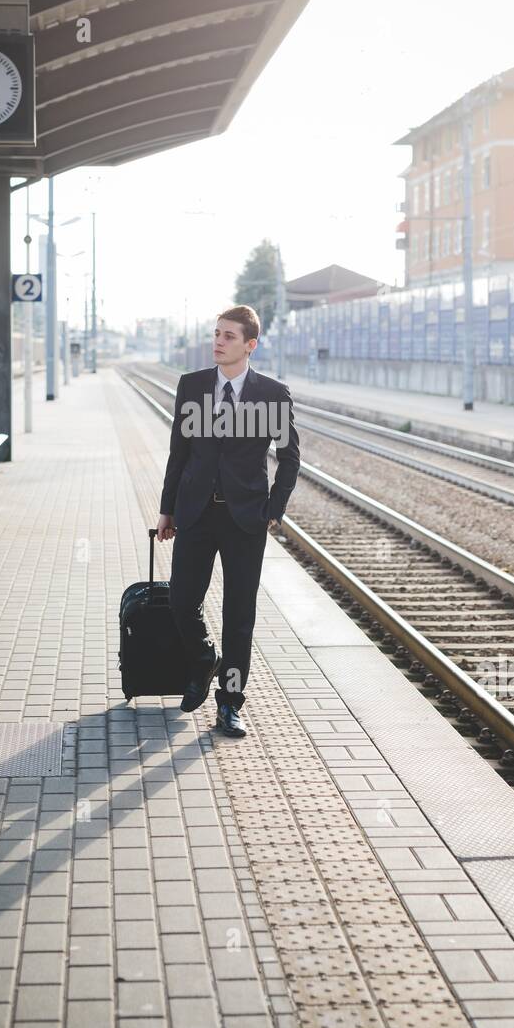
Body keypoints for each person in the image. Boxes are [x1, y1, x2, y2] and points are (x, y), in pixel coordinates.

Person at [156, 305, 300, 737]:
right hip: (196, 513)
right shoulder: (193, 386)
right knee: (181, 600)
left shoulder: (272, 394)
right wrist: (167, 509)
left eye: (229, 336)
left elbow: (290, 458)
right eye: (216, 334)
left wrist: (273, 511)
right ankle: (203, 659)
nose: (218, 341)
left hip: (244, 520)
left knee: (239, 614)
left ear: (250, 344)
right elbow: (179, 453)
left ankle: (230, 703)